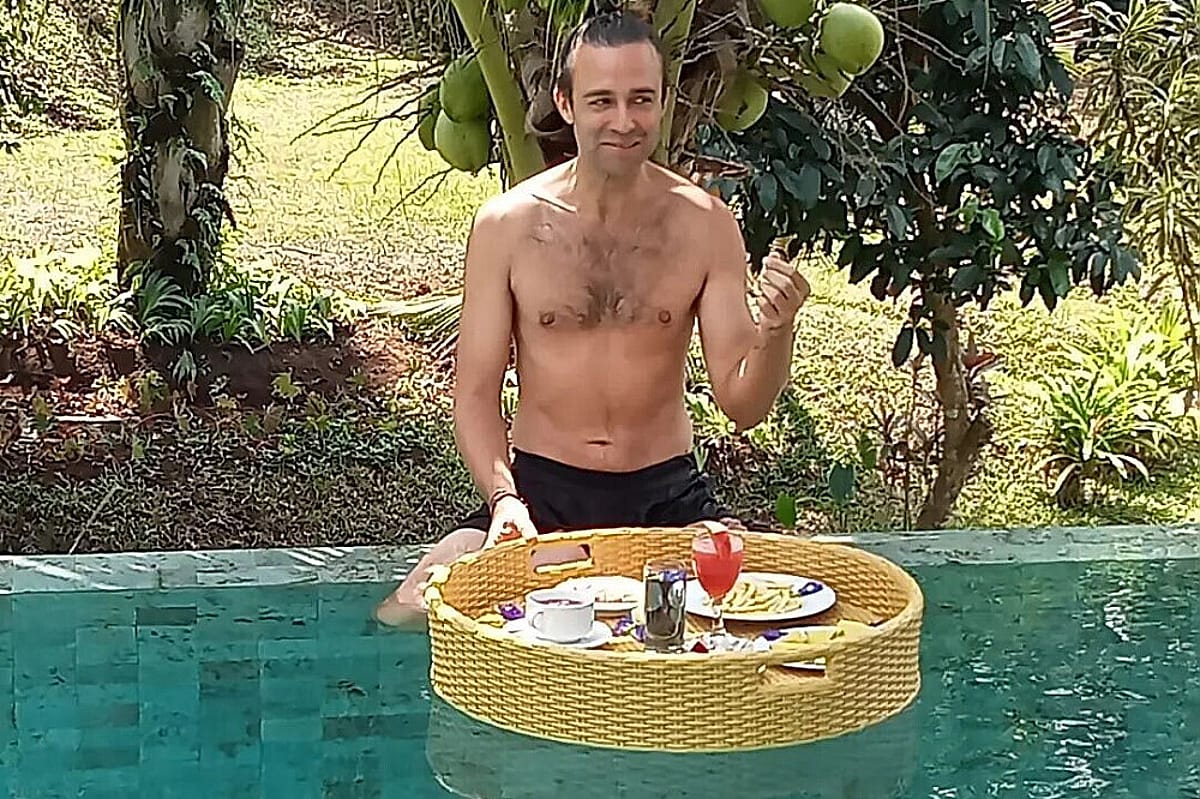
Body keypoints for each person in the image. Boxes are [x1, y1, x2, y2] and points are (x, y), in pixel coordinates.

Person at [374, 9, 809, 629]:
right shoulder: (508, 226)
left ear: (662, 103)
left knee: (726, 636)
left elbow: (742, 401)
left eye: (641, 100)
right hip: (540, 494)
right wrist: (504, 502)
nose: (624, 122)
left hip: (666, 500)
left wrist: (776, 331)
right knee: (408, 613)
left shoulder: (705, 224)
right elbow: (473, 394)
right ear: (566, 103)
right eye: (602, 100)